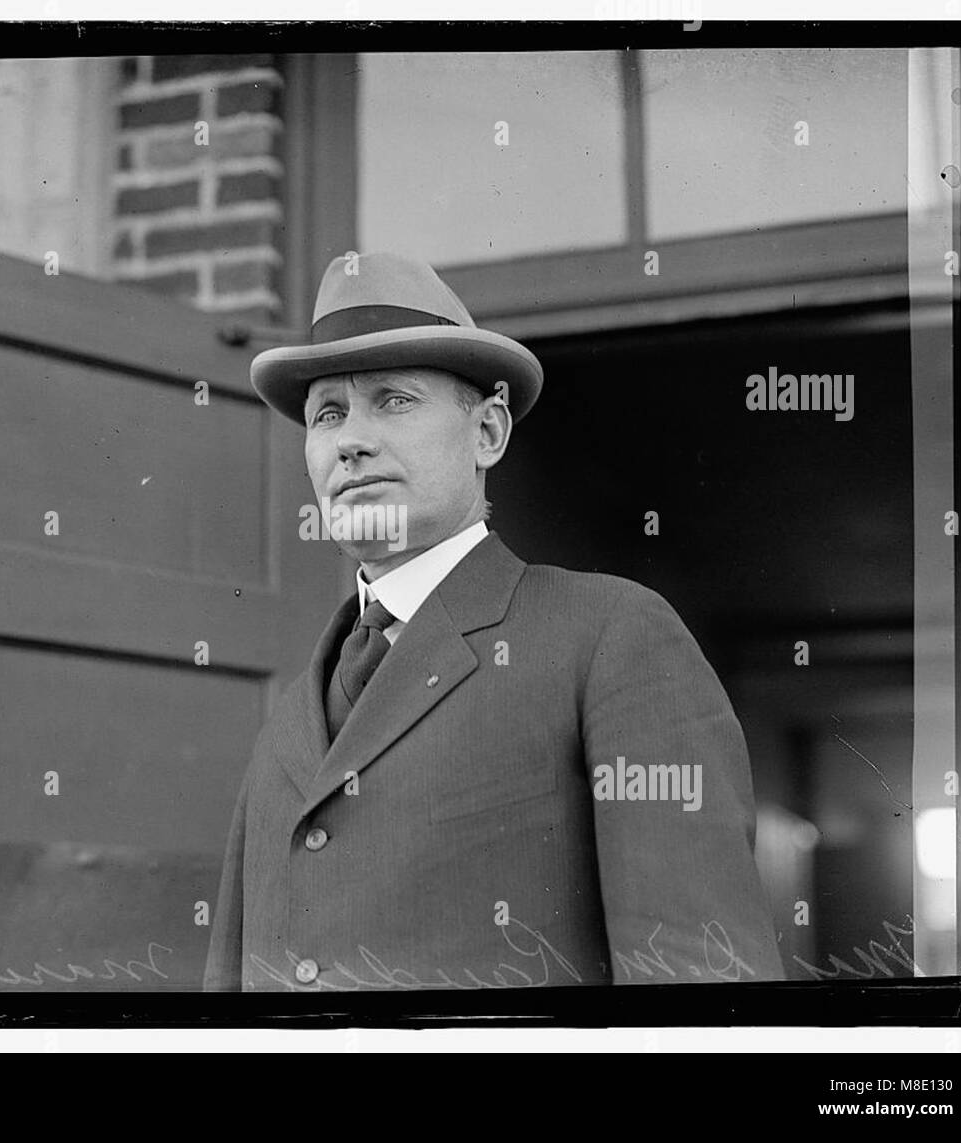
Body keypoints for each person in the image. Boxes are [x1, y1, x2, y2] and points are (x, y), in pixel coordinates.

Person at [204, 251, 783, 991]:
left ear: (488, 432)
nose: (350, 438)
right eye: (327, 413)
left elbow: (700, 981)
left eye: (394, 400)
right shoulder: (286, 731)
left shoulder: (610, 637)